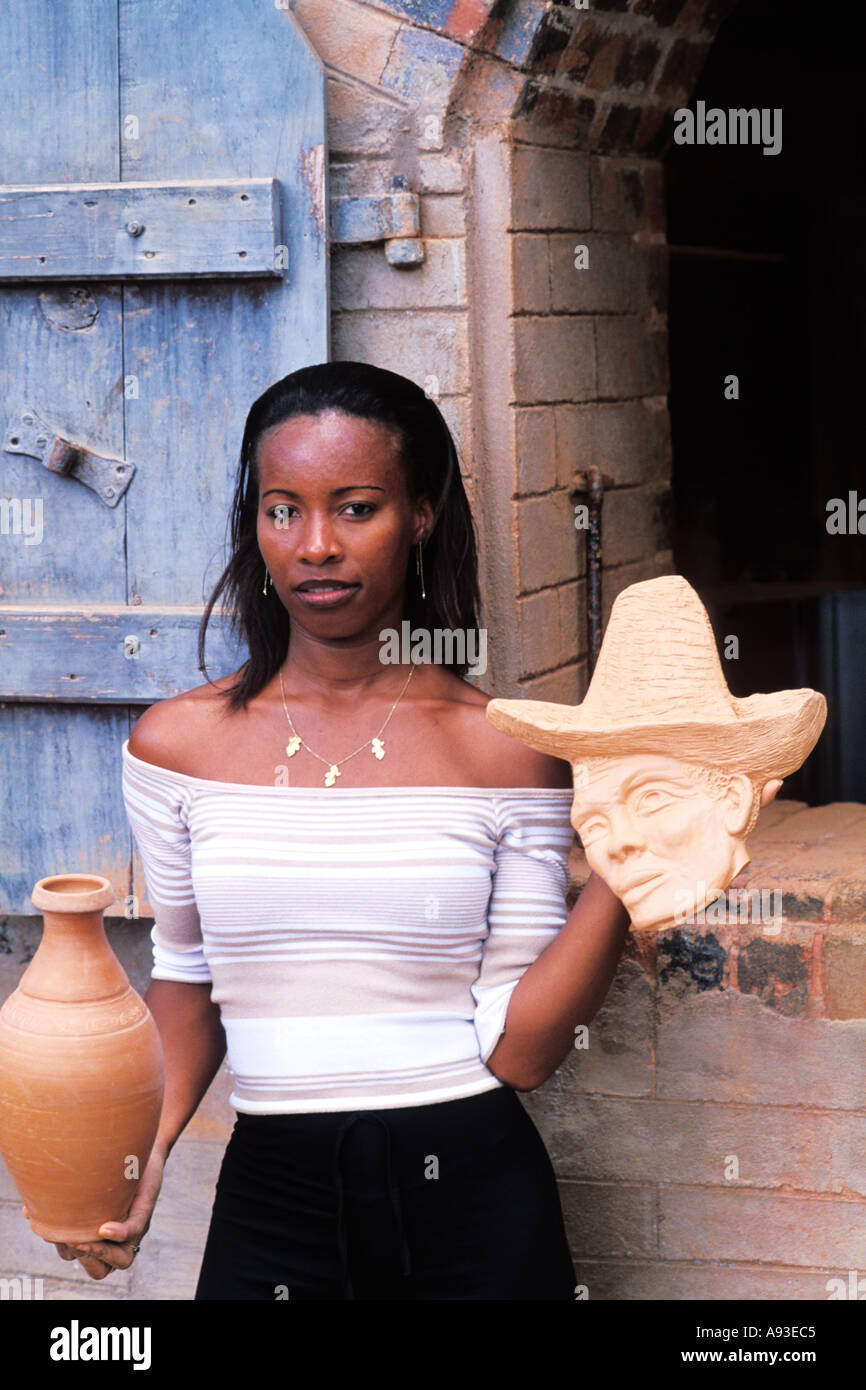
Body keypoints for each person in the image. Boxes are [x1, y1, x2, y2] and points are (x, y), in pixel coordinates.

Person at [43, 361, 634, 1300]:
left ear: (423, 515)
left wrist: (629, 872)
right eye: (284, 510)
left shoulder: (507, 750)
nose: (315, 545)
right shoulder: (178, 746)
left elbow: (521, 1051)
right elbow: (189, 981)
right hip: (273, 1191)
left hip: (476, 1191)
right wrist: (141, 1156)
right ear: (256, 526)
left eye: (356, 508)